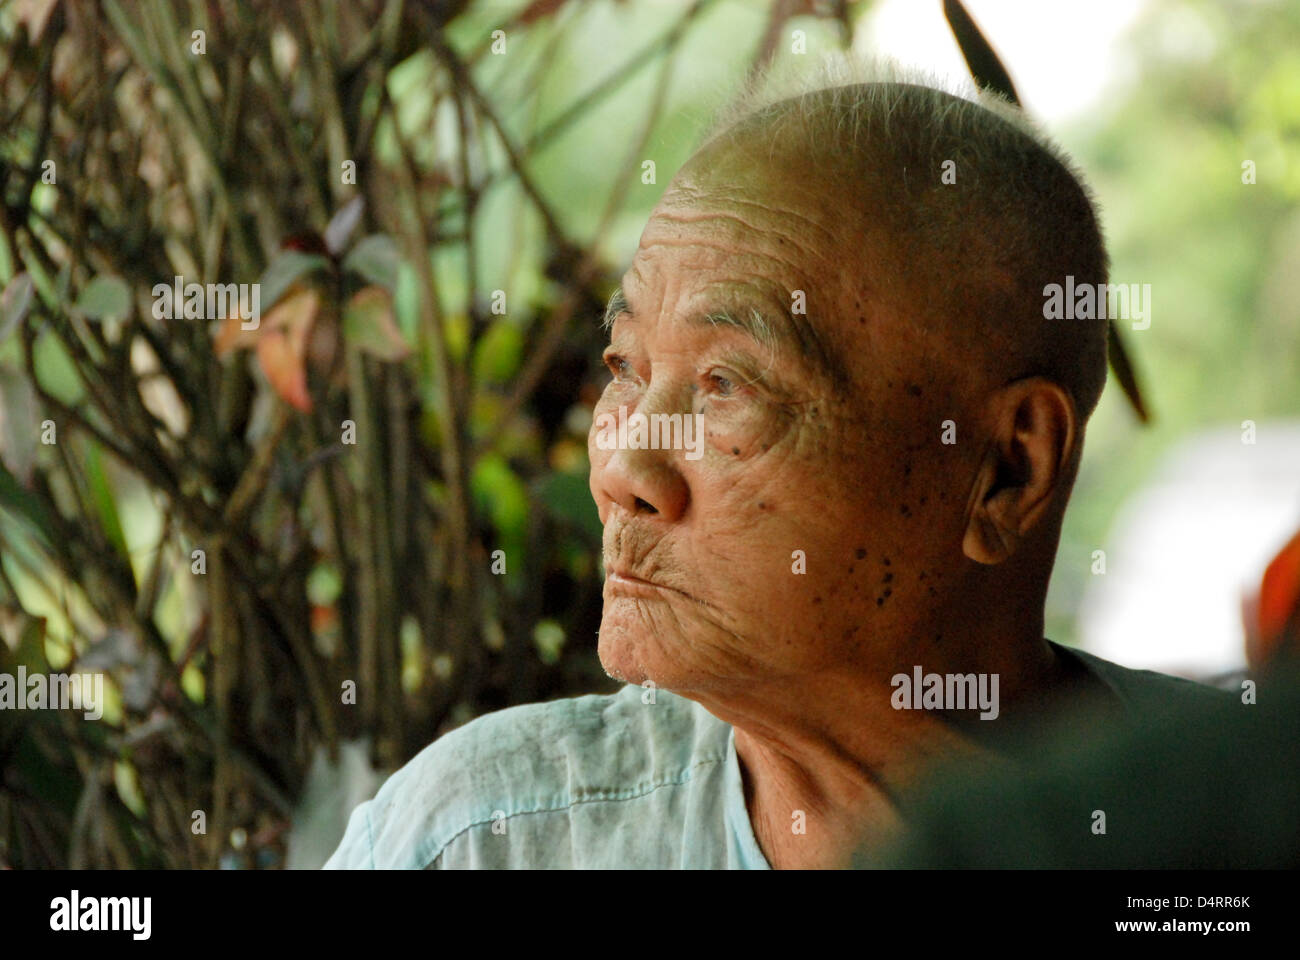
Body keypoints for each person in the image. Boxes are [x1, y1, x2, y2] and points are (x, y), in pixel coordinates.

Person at [324, 63, 1233, 870]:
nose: (623, 471)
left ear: (1007, 470)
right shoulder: (485, 838)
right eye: (625, 368)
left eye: (727, 387)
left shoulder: (1236, 823)